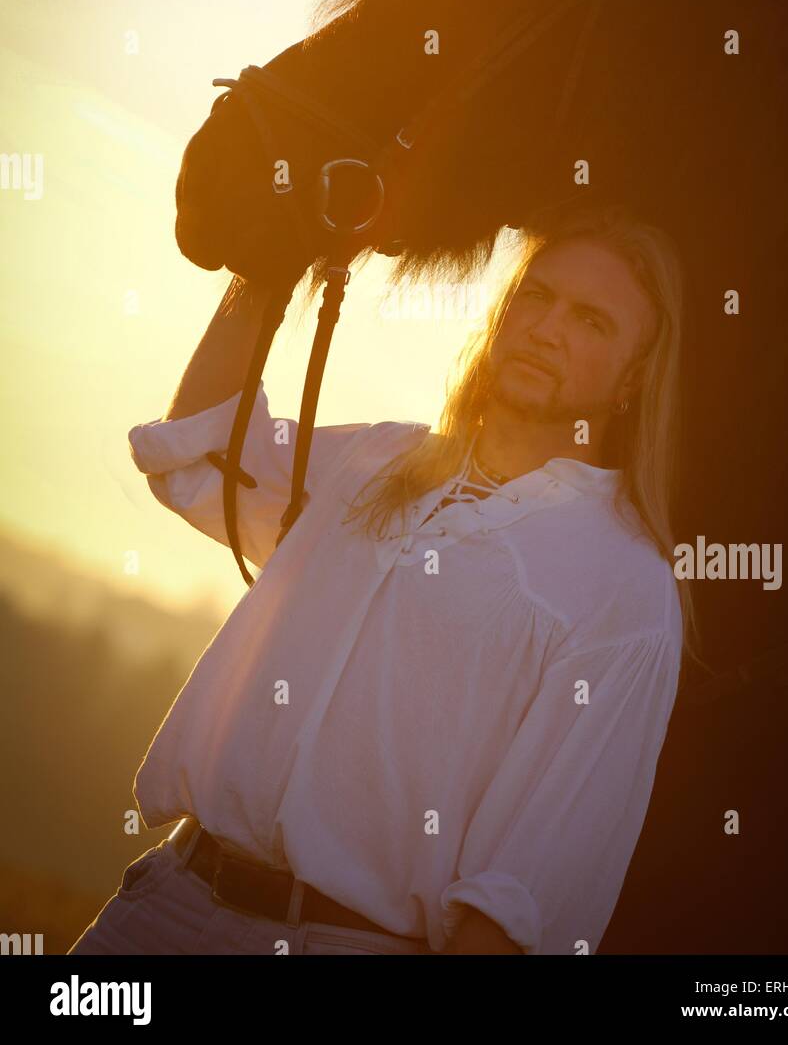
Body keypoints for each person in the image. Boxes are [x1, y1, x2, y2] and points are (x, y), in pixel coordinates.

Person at [68, 203, 691, 956]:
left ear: (632, 381)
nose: (548, 328)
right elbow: (198, 454)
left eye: (593, 321)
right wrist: (266, 269)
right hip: (161, 908)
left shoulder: (625, 583)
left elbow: (526, 897)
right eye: (537, 295)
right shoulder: (378, 459)